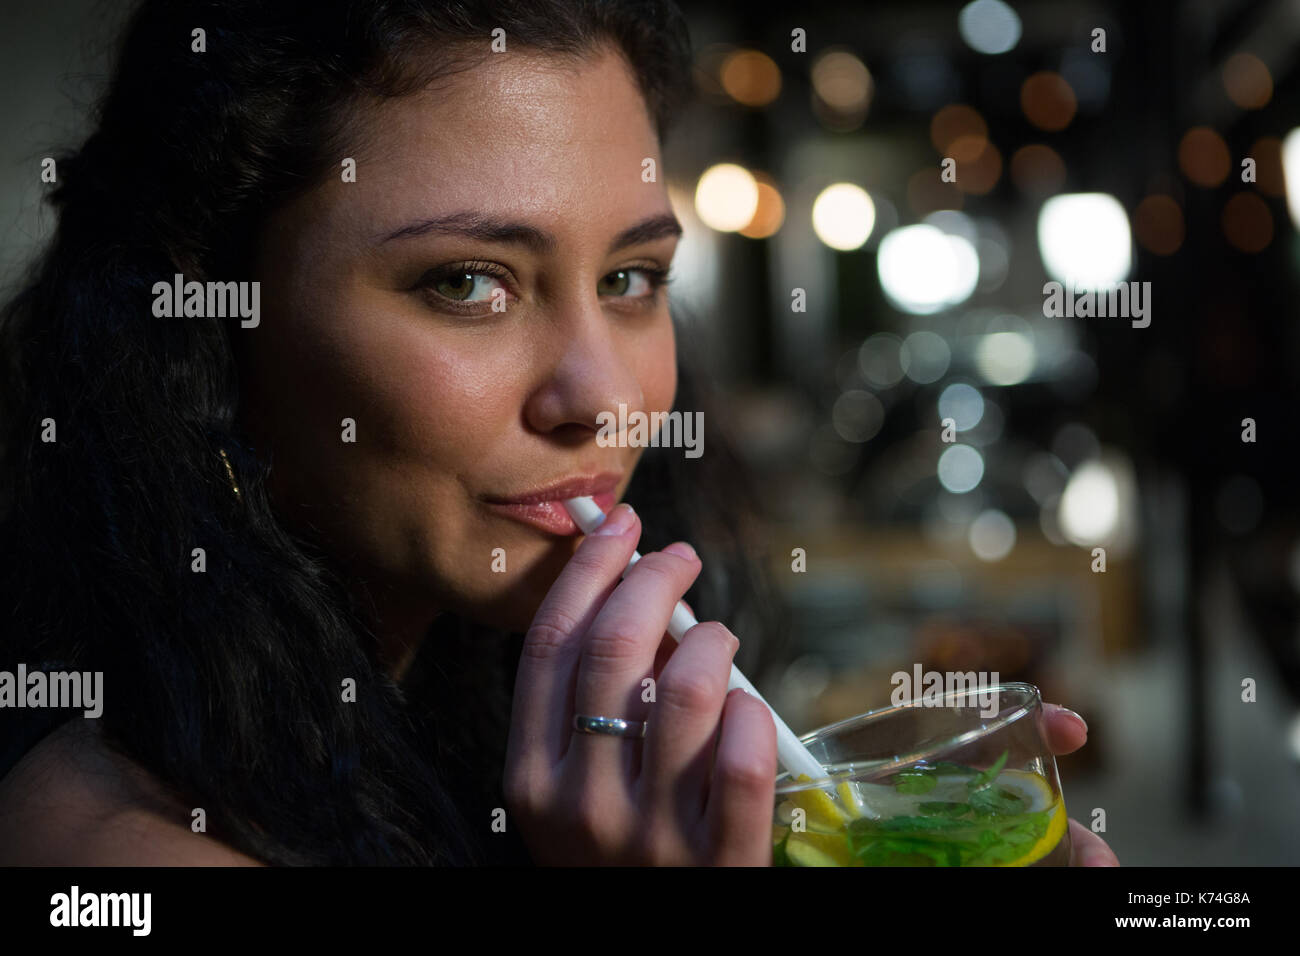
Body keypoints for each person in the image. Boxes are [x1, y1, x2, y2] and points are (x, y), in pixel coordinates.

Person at [0, 0, 1118, 866]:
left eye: (631, 276)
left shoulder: (460, 709)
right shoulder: (117, 849)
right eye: (467, 283)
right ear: (215, 319)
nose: (599, 394)